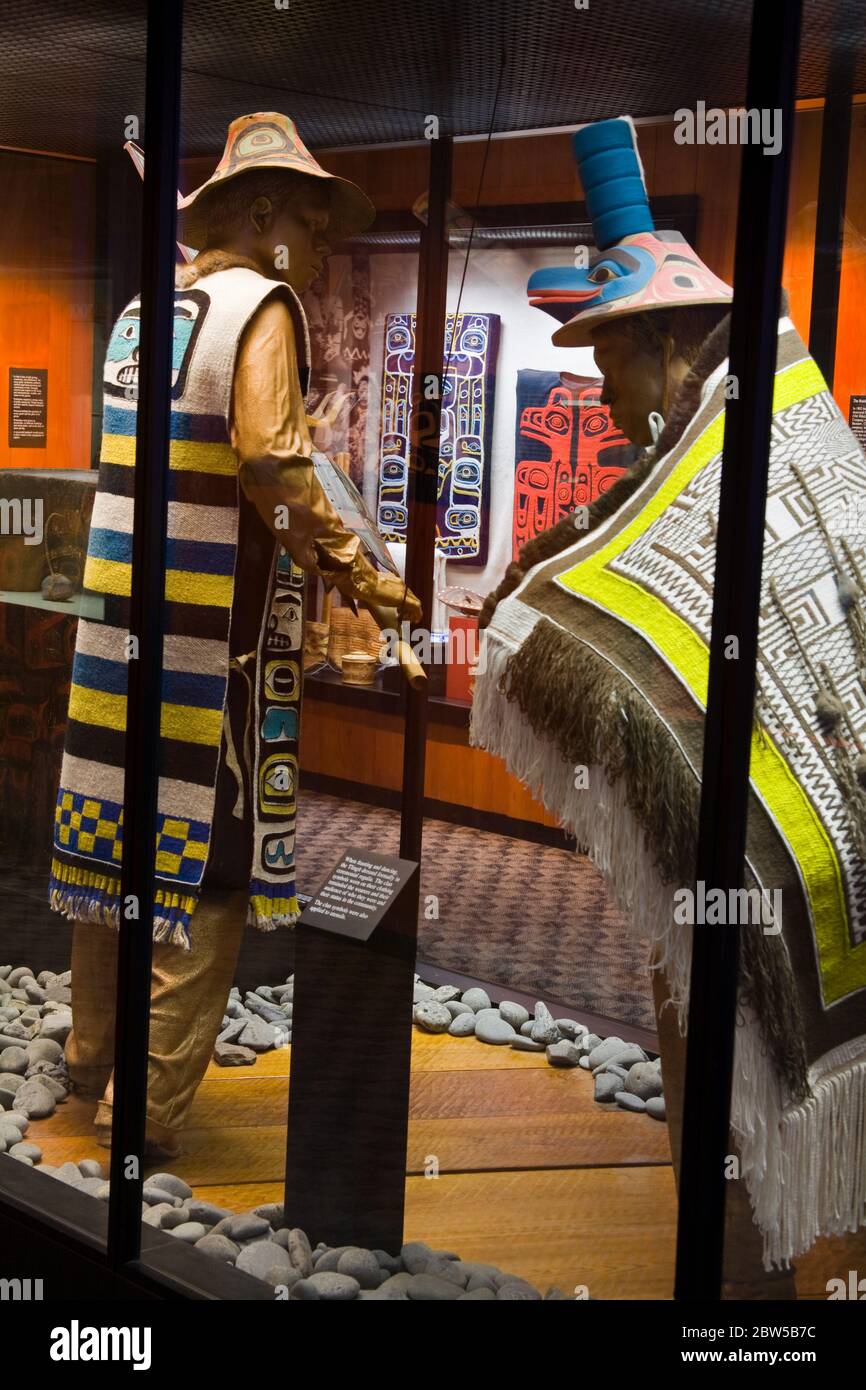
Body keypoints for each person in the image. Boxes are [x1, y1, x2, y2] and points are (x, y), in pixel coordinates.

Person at [479, 117, 807, 1298]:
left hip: (754, 857)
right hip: (715, 842)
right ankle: (716, 1278)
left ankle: (726, 1301)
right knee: (703, 1078)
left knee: (725, 1084)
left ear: (667, 346)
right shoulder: (716, 459)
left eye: (608, 357)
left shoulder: (727, 467)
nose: (598, 389)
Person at [51, 113, 420, 1160]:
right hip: (202, 659)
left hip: (112, 639)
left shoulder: (140, 313)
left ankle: (89, 1060)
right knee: (201, 878)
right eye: (311, 221)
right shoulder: (262, 306)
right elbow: (271, 461)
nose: (321, 245)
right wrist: (355, 571)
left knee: (111, 863)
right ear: (261, 215)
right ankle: (143, 1117)